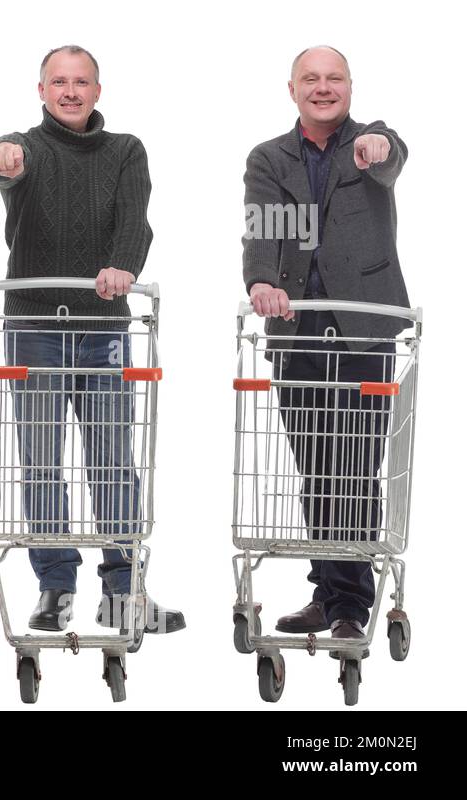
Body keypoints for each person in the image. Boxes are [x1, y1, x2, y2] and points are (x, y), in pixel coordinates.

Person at [0, 45, 184, 634]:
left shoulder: (126, 150)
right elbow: (5, 163)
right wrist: (3, 159)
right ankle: (53, 587)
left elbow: (135, 217)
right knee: (42, 458)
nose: (70, 92)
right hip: (35, 328)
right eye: (58, 82)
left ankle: (124, 588)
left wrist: (122, 264)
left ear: (98, 91)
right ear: (41, 90)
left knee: (113, 460)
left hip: (102, 327)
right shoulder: (27, 146)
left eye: (81, 82)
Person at [241, 45, 409, 646]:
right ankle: (328, 592)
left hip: (363, 329)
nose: (322, 87)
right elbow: (265, 227)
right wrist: (262, 280)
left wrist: (380, 149)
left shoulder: (371, 144)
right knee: (316, 467)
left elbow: (393, 153)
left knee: (357, 467)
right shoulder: (271, 157)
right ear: (292, 90)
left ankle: (351, 603)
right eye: (310, 79)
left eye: (333, 78)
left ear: (350, 87)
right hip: (299, 329)